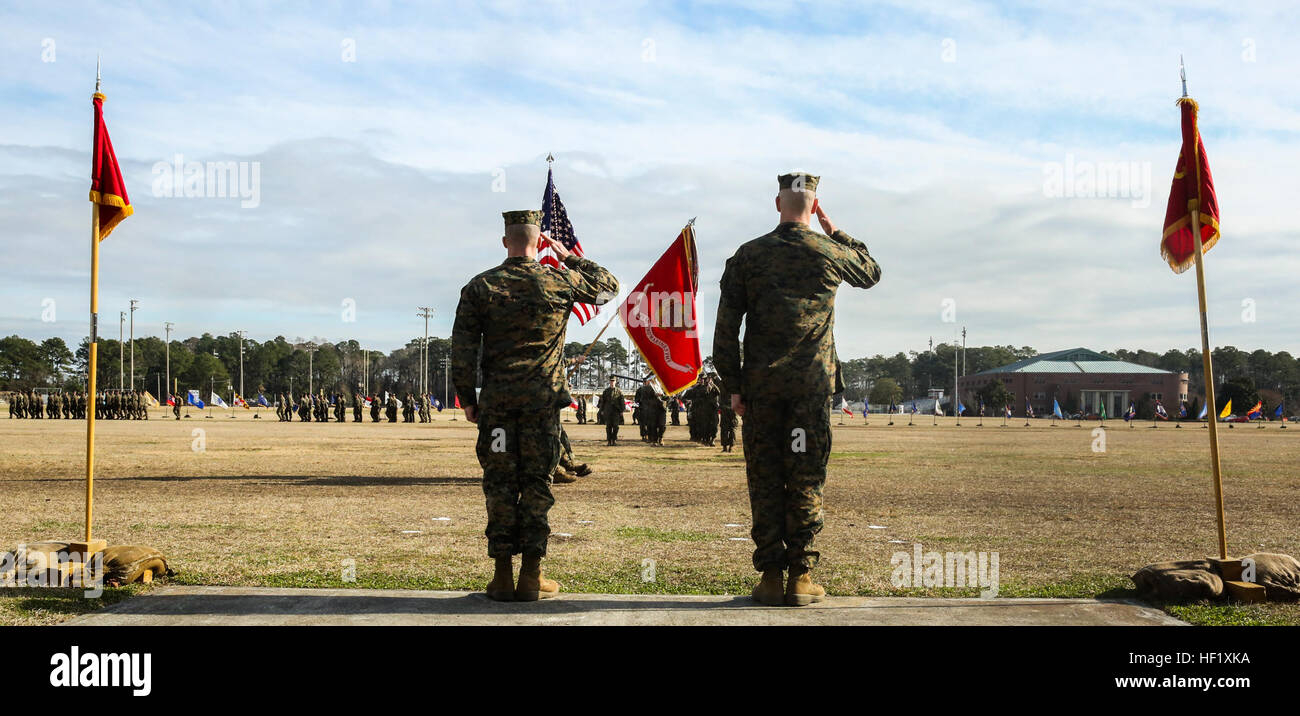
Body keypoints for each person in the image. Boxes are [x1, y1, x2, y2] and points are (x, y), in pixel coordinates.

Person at [714, 171, 881, 607]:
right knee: (806, 479)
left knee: (765, 480)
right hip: (811, 389)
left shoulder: (749, 255)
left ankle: (770, 576)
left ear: (777, 204)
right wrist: (834, 228)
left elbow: (726, 327)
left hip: (760, 389)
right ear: (815, 205)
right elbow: (871, 271)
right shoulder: (830, 252)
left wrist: (733, 386)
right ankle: (802, 577)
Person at [452, 209, 617, 602]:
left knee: (500, 485)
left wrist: (469, 399)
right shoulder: (558, 279)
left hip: (496, 407)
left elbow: (463, 349)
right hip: (542, 404)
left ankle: (502, 576)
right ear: (539, 241)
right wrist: (568, 256)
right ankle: (532, 574)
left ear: (505, 241)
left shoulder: (481, 286)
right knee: (537, 486)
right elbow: (608, 288)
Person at [598, 377, 625, 446]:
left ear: (615, 382)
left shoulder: (619, 391)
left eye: (613, 381)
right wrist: (601, 410)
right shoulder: (606, 391)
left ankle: (614, 439)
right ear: (609, 382)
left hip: (616, 412)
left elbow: (622, 401)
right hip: (608, 411)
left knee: (616, 426)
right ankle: (609, 440)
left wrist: (622, 410)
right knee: (608, 427)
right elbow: (602, 402)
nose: (612, 382)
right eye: (611, 381)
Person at [634, 378, 657, 442]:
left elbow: (636, 400)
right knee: (644, 424)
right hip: (645, 409)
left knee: (646, 424)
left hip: (645, 409)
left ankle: (646, 436)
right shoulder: (643, 389)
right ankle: (646, 436)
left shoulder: (642, 389)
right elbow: (637, 400)